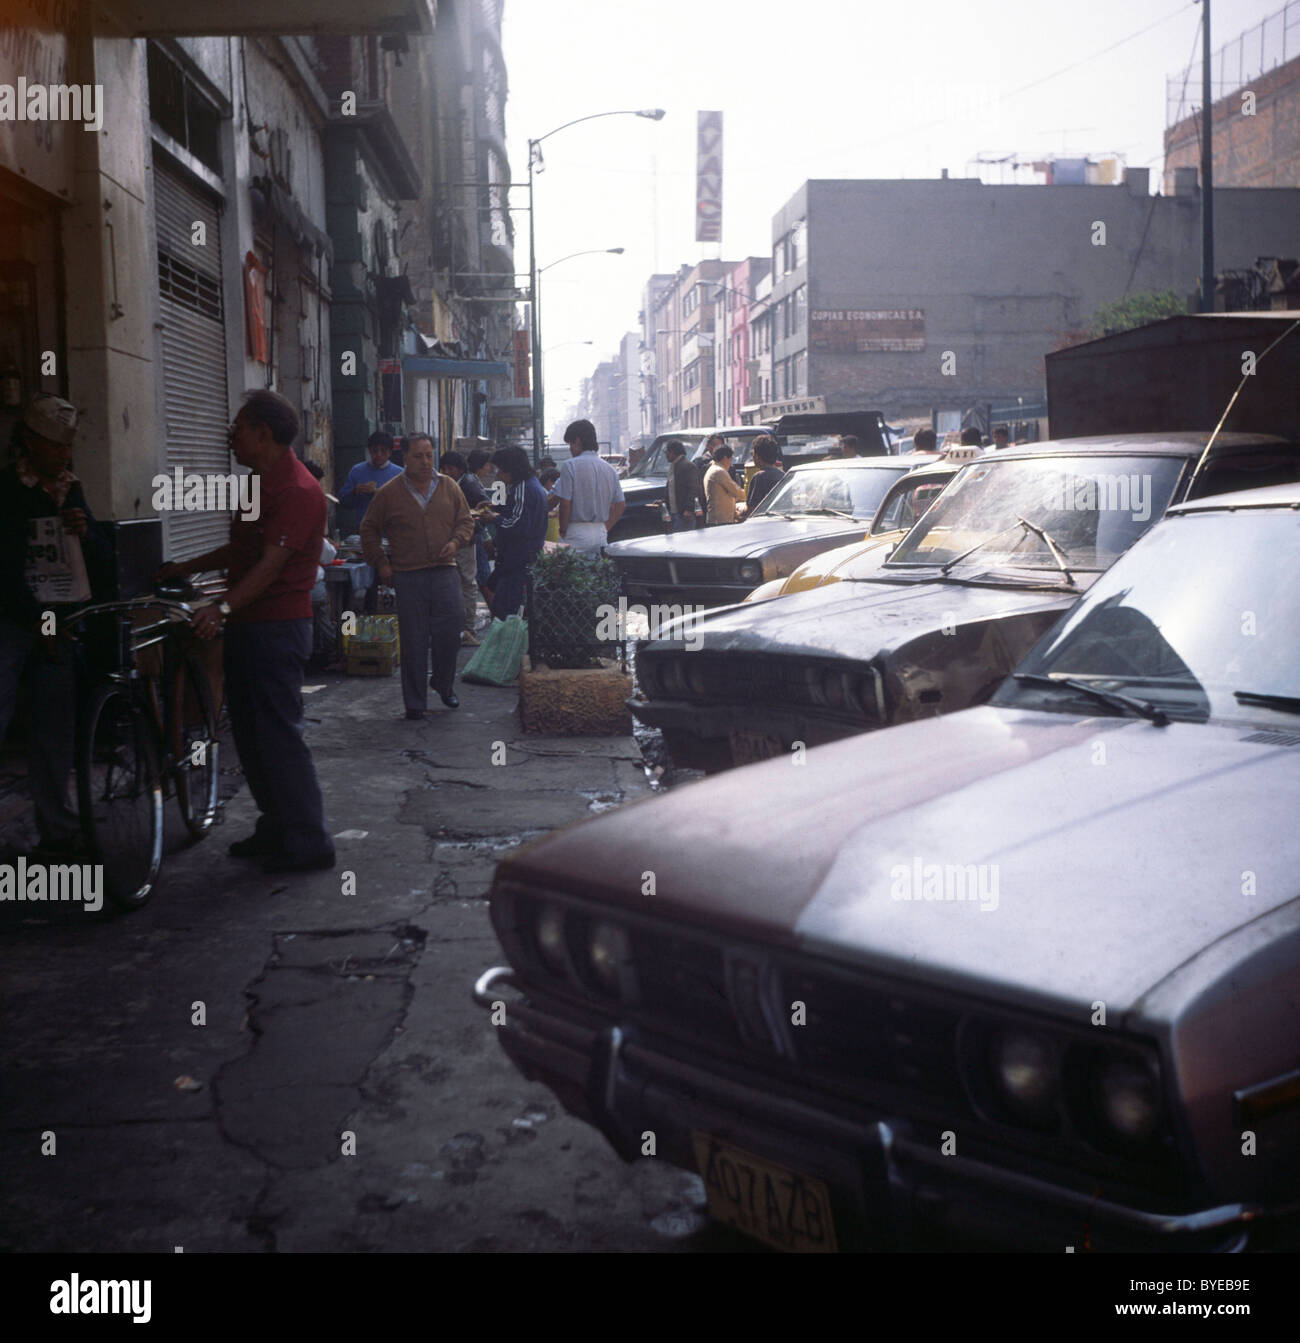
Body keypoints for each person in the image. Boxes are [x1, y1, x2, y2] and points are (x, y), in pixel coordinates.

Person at [160, 390, 335, 873]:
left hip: (277, 628)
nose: (230, 435)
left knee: (279, 734)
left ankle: (310, 837)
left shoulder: (297, 490)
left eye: (238, 426)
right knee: (253, 737)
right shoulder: (259, 485)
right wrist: (185, 565)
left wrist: (220, 607)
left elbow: (270, 566)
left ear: (263, 432)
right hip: (250, 625)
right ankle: (276, 824)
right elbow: (241, 553)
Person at [0, 394, 113, 856]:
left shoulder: (73, 488)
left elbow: (102, 566)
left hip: (59, 625)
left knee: (54, 727)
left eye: (66, 446)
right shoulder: (8, 491)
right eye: (52, 445)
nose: (62, 454)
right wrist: (40, 623)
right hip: (15, 623)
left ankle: (57, 826)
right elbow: (5, 574)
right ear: (29, 442)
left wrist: (87, 532)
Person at [360, 433, 473, 720]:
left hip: (444, 570)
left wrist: (456, 541)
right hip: (408, 575)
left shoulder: (448, 487)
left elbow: (466, 520)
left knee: (451, 630)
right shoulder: (389, 492)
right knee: (414, 640)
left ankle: (443, 683)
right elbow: (368, 530)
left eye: (429, 455)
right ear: (405, 459)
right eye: (418, 456)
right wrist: (381, 564)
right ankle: (415, 702)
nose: (425, 462)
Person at [486, 446, 548, 620]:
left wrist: (493, 519)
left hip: (518, 557)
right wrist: (496, 507)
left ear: (510, 469)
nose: (498, 475)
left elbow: (517, 524)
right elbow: (517, 511)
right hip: (523, 556)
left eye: (500, 470)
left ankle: (507, 644)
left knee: (504, 609)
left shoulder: (523, 488)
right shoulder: (530, 484)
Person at [438, 450, 489, 647]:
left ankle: (468, 628)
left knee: (468, 582)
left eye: (450, 468)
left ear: (459, 469)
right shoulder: (452, 483)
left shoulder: (467, 483)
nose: (446, 472)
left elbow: (482, 507)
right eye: (444, 468)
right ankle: (459, 627)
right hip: (453, 540)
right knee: (457, 583)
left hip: (465, 541)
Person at [557, 418, 625, 554]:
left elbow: (565, 504)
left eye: (570, 443)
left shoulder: (570, 466)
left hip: (575, 531)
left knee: (570, 573)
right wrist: (605, 528)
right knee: (595, 573)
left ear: (577, 441)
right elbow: (621, 505)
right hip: (600, 532)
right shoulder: (610, 469)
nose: (570, 448)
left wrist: (563, 530)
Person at [339, 431, 403, 529]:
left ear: (390, 452)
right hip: (365, 528)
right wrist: (355, 492)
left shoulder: (399, 474)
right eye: (375, 451)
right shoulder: (357, 471)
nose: (379, 454)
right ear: (369, 450)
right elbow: (344, 502)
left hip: (392, 529)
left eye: (383, 451)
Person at [665, 439, 704, 531]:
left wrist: (689, 509)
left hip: (684, 514)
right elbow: (672, 489)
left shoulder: (687, 466)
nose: (666, 455)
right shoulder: (674, 466)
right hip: (675, 513)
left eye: (667, 452)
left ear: (672, 452)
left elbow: (694, 489)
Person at [704, 444, 746, 525]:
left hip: (718, 519)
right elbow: (736, 491)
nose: (730, 463)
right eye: (730, 459)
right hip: (721, 520)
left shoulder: (713, 469)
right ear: (725, 458)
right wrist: (750, 495)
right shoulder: (719, 471)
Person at [745, 434, 784, 510]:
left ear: (757, 456)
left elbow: (752, 509)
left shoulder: (759, 477)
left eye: (753, 453)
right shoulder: (782, 475)